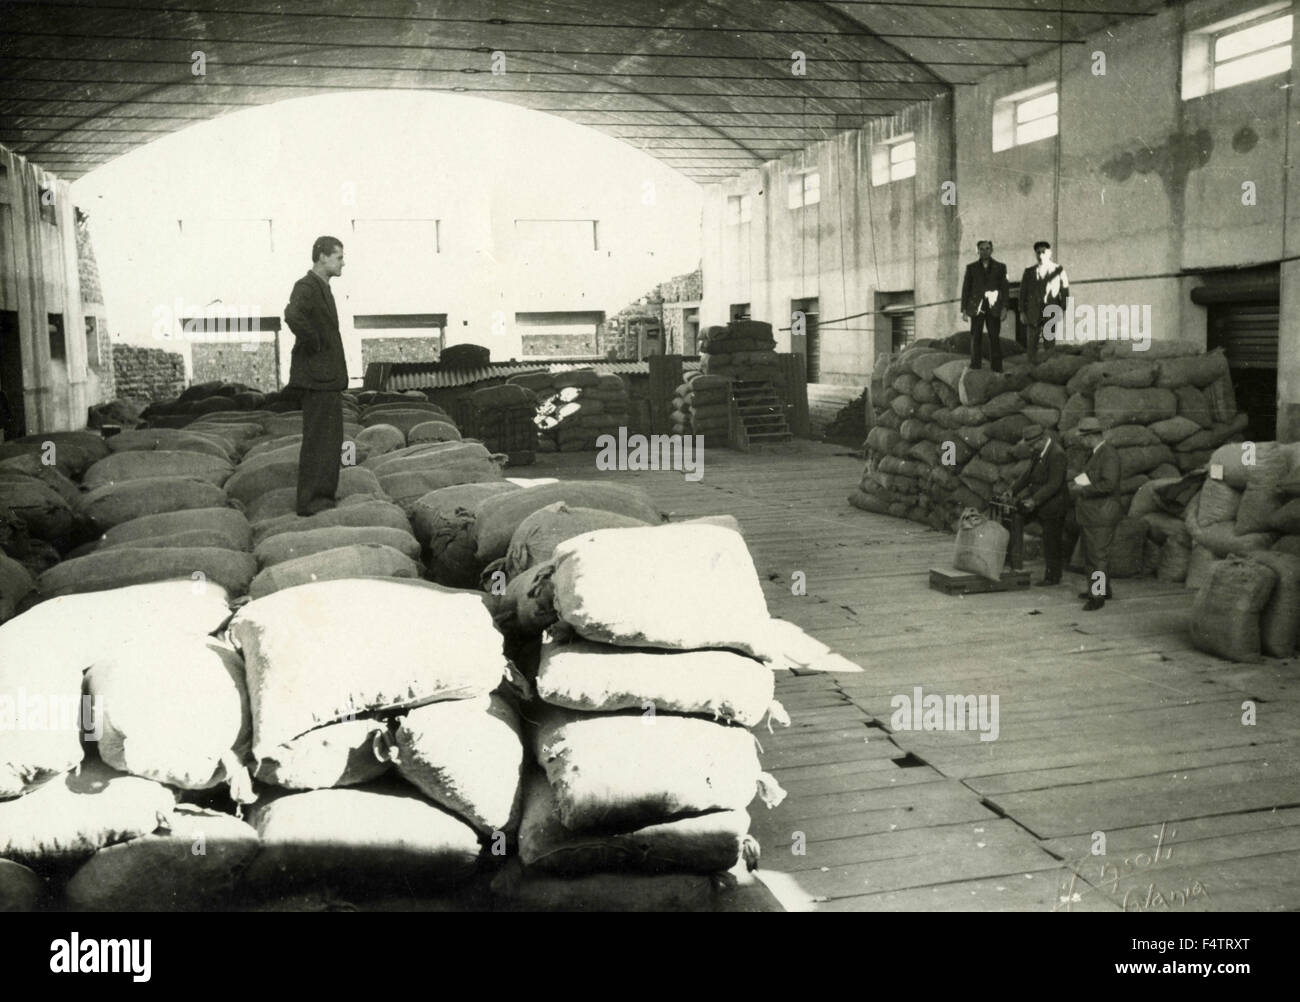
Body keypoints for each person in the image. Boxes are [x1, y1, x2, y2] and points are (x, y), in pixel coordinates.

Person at [284, 236, 348, 517]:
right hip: (316, 378)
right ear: (322, 256)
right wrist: (316, 345)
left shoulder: (323, 287)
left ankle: (323, 496)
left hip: (326, 378)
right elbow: (293, 315)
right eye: (338, 257)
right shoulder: (307, 286)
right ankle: (310, 501)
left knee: (331, 439)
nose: (342, 262)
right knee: (318, 439)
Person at [1062, 417, 1122, 611]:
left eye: (1083, 437)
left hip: (1101, 514)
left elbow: (1108, 484)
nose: (1081, 441)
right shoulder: (1096, 454)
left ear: (1093, 436)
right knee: (1094, 555)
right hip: (1094, 514)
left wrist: (1082, 490)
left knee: (1097, 557)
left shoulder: (1108, 455)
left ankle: (1097, 597)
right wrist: (1077, 483)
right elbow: (1091, 476)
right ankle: (1102, 589)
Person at [1009, 424, 1068, 587]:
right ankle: (1012, 563)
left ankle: (1053, 577)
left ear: (1043, 439)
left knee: (1051, 540)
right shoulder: (1038, 451)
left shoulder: (1057, 454)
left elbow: (1054, 484)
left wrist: (1034, 500)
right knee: (1015, 518)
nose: (1031, 448)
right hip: (1041, 501)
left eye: (1033, 444)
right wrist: (1012, 490)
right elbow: (1027, 474)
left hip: (1054, 504)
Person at [960, 240, 1009, 373]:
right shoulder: (971, 268)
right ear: (978, 251)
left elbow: (1005, 288)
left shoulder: (1000, 267)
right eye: (981, 249)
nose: (984, 251)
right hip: (977, 308)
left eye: (987, 248)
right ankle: (975, 366)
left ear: (992, 250)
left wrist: (1004, 308)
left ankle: (997, 368)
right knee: (976, 337)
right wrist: (964, 310)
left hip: (994, 308)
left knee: (994, 337)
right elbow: (966, 289)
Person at [1019, 240, 1069, 364]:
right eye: (1038, 252)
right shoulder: (1029, 272)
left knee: (1049, 343)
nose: (1041, 255)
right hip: (1033, 312)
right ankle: (1030, 369)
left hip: (1051, 310)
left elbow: (1065, 290)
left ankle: (1049, 368)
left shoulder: (1058, 270)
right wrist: (1022, 312)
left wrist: (1062, 308)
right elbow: (1022, 293)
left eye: (1043, 252)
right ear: (1035, 254)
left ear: (1049, 253)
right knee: (1031, 343)